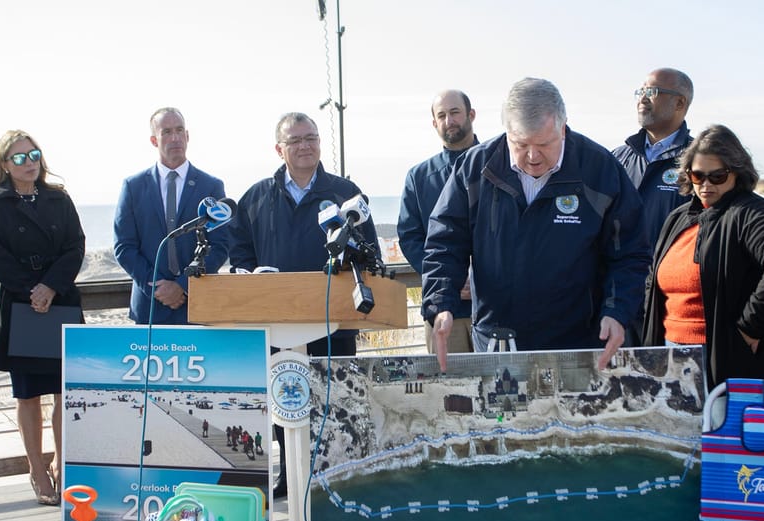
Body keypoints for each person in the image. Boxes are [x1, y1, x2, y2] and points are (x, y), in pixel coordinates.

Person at [422, 78, 650, 373]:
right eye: (520, 144)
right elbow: (444, 242)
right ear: (506, 133)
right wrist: (441, 303)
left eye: (544, 144)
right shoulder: (476, 168)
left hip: (575, 345)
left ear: (563, 127)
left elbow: (630, 251)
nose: (532, 156)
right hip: (497, 342)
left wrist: (617, 311)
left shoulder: (600, 170)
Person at [230, 111, 380, 498]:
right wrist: (248, 274)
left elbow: (370, 251)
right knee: (286, 398)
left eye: (310, 137)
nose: (304, 146)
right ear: (279, 149)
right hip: (277, 323)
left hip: (334, 321)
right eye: (294, 140)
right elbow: (240, 250)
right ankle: (289, 474)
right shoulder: (256, 196)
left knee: (334, 398)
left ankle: (337, 470)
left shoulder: (344, 192)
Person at [642, 124, 764, 390]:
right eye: (698, 176)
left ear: (737, 173)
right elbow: (654, 279)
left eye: (717, 176)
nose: (706, 185)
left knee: (739, 433)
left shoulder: (752, 213)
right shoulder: (679, 217)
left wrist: (750, 327)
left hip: (742, 364)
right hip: (676, 358)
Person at [0, 130, 86, 506]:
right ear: (4, 164)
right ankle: (36, 467)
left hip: (59, 298)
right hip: (19, 302)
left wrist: (50, 287)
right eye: (19, 157)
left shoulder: (58, 198)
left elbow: (75, 246)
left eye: (33, 154)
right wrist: (30, 290)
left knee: (62, 391)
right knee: (28, 394)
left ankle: (62, 463)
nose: (29, 162)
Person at [114, 107, 229, 325]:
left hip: (197, 306)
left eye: (179, 130)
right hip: (150, 308)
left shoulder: (211, 186)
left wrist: (183, 286)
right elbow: (124, 246)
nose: (175, 138)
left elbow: (220, 245)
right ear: (154, 140)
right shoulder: (133, 187)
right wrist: (157, 285)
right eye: (166, 132)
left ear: (187, 136)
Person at [397, 89, 479, 353]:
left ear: (471, 115)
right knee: (450, 390)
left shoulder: (499, 165)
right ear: (434, 124)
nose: (449, 121)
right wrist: (450, 280)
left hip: (496, 308)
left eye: (455, 112)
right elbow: (410, 237)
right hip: (444, 309)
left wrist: (477, 280)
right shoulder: (419, 177)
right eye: (441, 115)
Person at [613, 69, 694, 242]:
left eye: (651, 92)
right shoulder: (617, 158)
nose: (642, 99)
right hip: (620, 268)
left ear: (679, 103)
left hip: (668, 268)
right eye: (641, 92)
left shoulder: (699, 160)